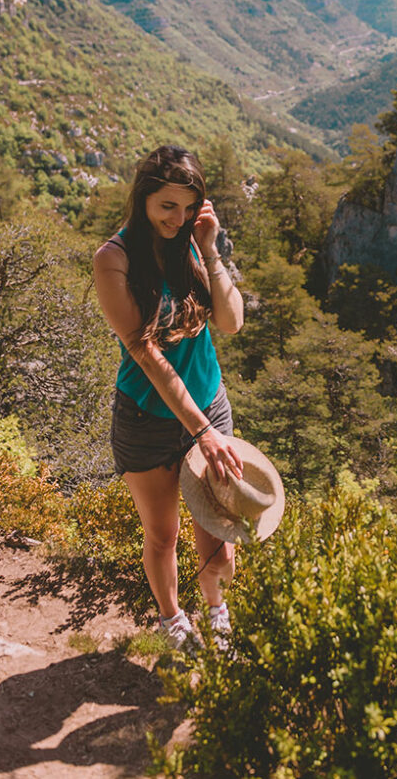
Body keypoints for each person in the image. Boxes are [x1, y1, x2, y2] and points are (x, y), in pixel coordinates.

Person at [92, 145, 246, 650]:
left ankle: (217, 613)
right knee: (163, 535)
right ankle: (173, 620)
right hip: (147, 416)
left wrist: (211, 246)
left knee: (218, 541)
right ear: (143, 201)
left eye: (187, 208)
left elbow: (231, 322)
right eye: (166, 208)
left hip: (209, 404)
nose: (177, 219)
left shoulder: (193, 243)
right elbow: (146, 352)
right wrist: (200, 432)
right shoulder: (113, 259)